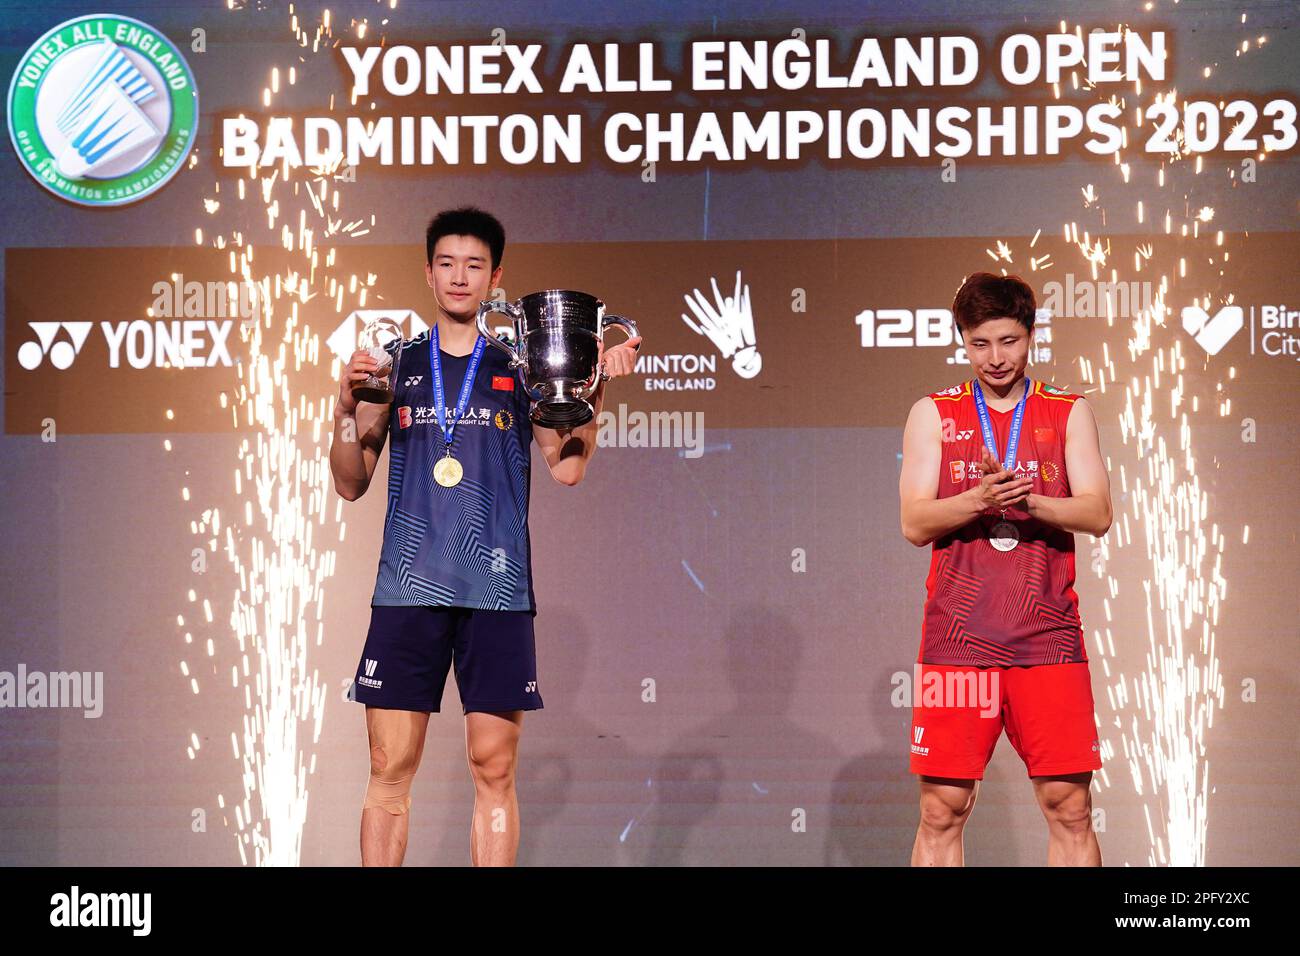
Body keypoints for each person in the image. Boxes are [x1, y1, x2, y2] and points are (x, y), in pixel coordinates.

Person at [328, 206, 642, 866]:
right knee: (390, 769)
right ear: (429, 272)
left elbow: (568, 466)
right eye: (447, 263)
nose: (459, 277)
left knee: (493, 772)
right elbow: (351, 482)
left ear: (494, 276)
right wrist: (340, 408)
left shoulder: (521, 369)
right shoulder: (393, 366)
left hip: (495, 593)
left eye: (474, 265)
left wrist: (599, 382)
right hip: (407, 589)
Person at [897, 271, 1112, 866]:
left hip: (1048, 640)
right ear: (963, 342)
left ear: (1032, 336)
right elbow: (914, 523)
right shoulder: (932, 414)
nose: (995, 358)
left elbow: (1098, 512)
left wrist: (1030, 501)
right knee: (942, 809)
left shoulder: (1067, 412)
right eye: (980, 343)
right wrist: (980, 501)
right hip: (956, 642)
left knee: (1070, 807)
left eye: (1009, 341)